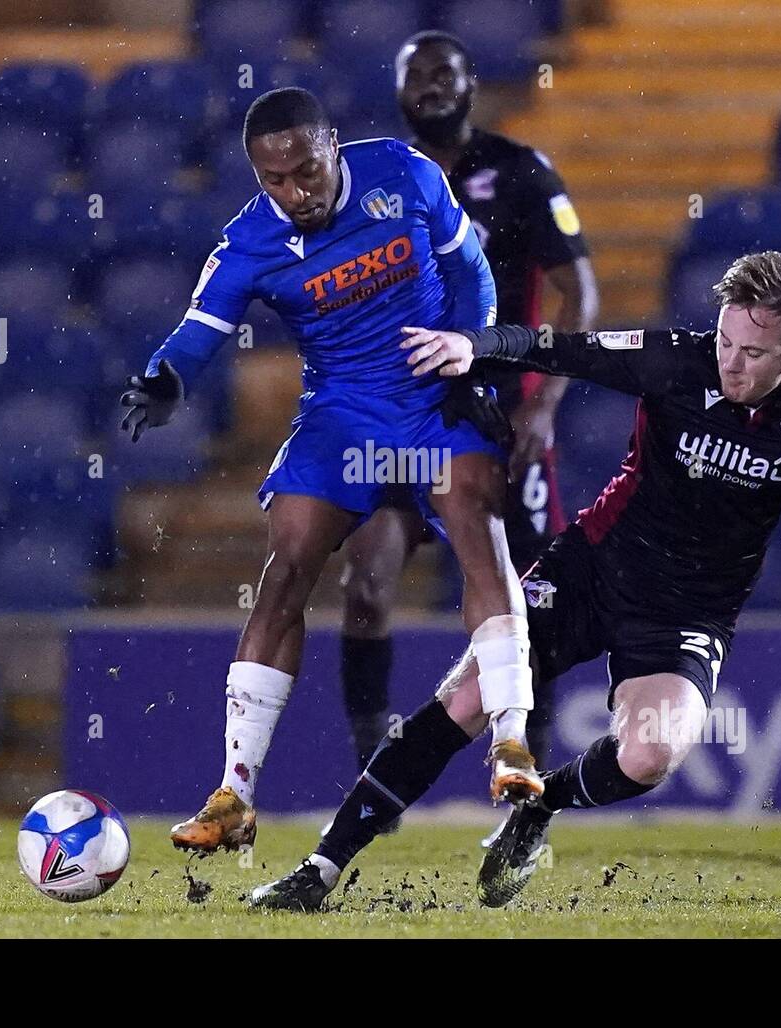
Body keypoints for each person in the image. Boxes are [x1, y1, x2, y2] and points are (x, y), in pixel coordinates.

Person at [249, 250, 781, 909]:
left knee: (651, 755)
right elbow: (558, 346)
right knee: (466, 700)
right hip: (590, 570)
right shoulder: (675, 360)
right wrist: (474, 345)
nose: (731, 362)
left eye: (753, 353)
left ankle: (539, 807)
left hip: (688, 616)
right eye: (727, 341)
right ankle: (320, 869)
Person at [120, 87, 543, 854]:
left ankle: (511, 739)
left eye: (305, 173)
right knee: (286, 569)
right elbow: (197, 332)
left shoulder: (406, 176)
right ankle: (235, 794)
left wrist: (473, 362)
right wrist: (164, 380)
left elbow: (474, 277)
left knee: (479, 529)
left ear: (333, 147)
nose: (294, 193)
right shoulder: (250, 242)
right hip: (341, 413)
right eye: (273, 180)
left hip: (432, 394)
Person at [336, 30, 599, 786]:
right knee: (366, 583)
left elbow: (578, 293)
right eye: (413, 73)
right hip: (399, 418)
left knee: (533, 597)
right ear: (397, 89)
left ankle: (530, 773)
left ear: (470, 83)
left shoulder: (518, 171)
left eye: (443, 71)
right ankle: (371, 774)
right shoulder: (367, 178)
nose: (429, 85)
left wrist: (544, 404)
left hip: (499, 419)